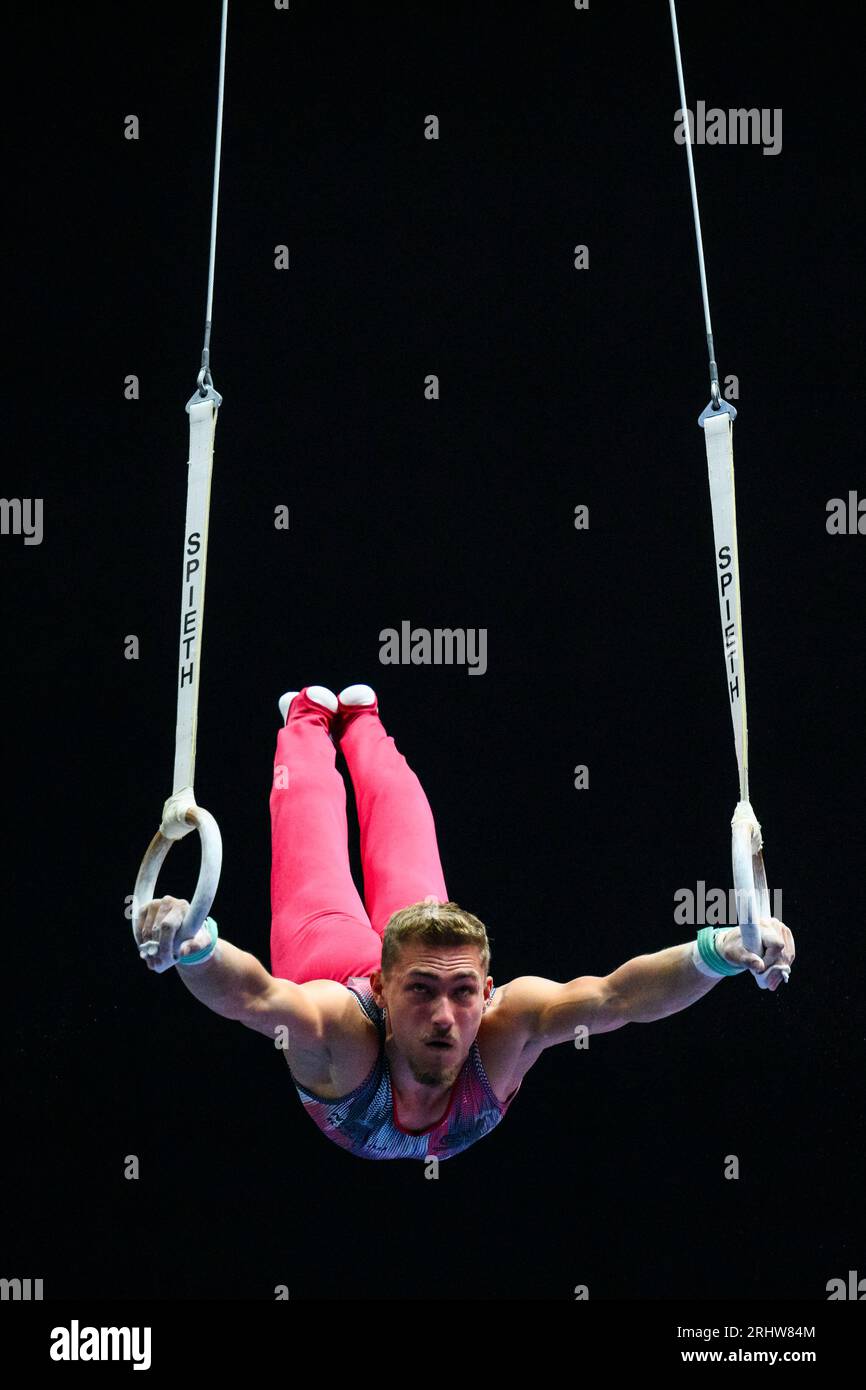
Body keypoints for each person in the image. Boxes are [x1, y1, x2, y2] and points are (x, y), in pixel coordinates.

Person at [135, 685, 795, 1162]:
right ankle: (310, 718)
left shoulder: (489, 1016)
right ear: (385, 989)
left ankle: (356, 723)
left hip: (358, 958)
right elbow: (252, 996)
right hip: (336, 966)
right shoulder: (343, 1023)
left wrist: (190, 949)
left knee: (381, 839)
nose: (446, 1015)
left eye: (462, 992)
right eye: (423, 991)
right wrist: (199, 948)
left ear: (487, 990)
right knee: (350, 842)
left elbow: (617, 997)